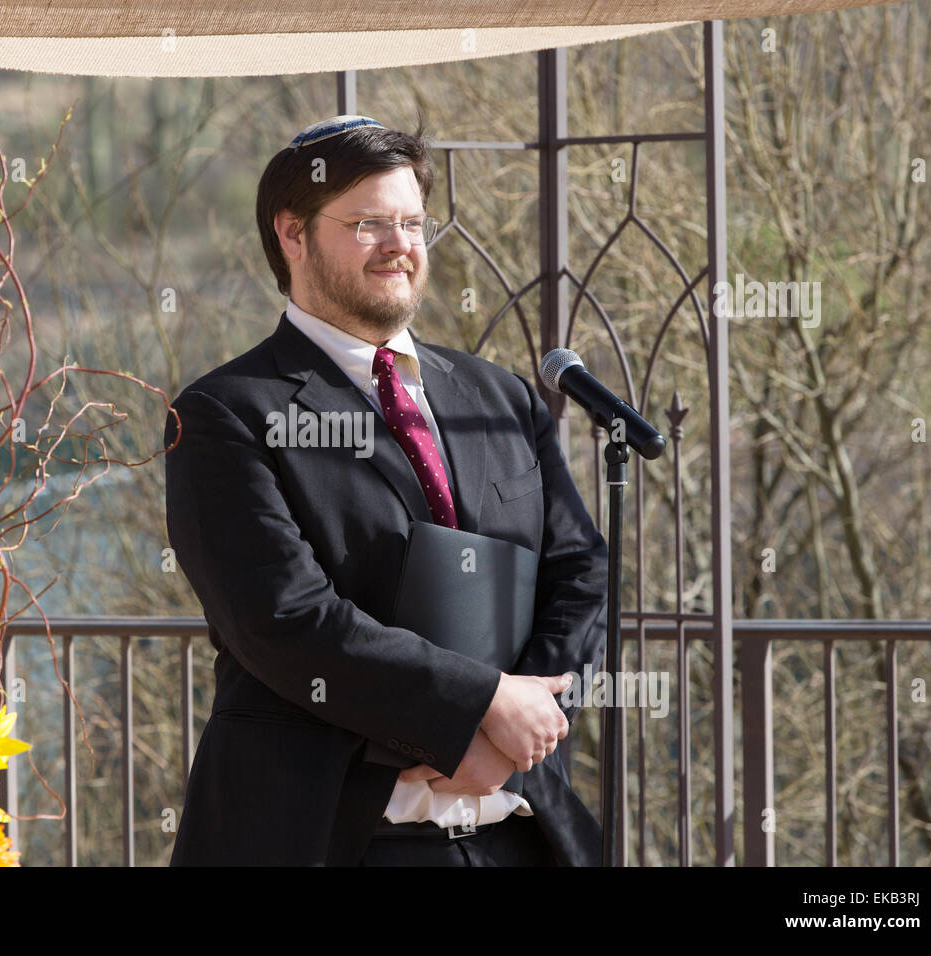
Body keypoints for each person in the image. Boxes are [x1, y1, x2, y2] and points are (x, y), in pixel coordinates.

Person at [163, 114, 609, 866]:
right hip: (339, 839)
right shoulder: (224, 414)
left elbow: (581, 571)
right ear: (292, 234)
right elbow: (287, 619)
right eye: (369, 223)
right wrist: (473, 710)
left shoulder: (499, 398)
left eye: (411, 222)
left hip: (523, 834)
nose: (401, 244)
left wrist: (520, 721)